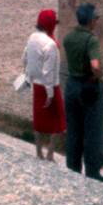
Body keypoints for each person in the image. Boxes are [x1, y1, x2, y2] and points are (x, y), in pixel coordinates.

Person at [63, 2, 103, 182]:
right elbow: (95, 65)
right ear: (90, 21)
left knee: (74, 130)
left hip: (71, 85)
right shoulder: (92, 40)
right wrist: (96, 77)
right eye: (95, 18)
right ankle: (92, 172)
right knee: (93, 132)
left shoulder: (68, 38)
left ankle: (72, 168)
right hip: (88, 87)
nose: (97, 21)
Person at [23, 8, 65, 160]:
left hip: (36, 84)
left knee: (39, 120)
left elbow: (25, 56)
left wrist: (28, 74)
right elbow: (48, 72)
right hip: (50, 87)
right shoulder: (51, 44)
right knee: (58, 122)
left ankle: (38, 152)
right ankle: (50, 154)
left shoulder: (32, 37)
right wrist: (50, 93)